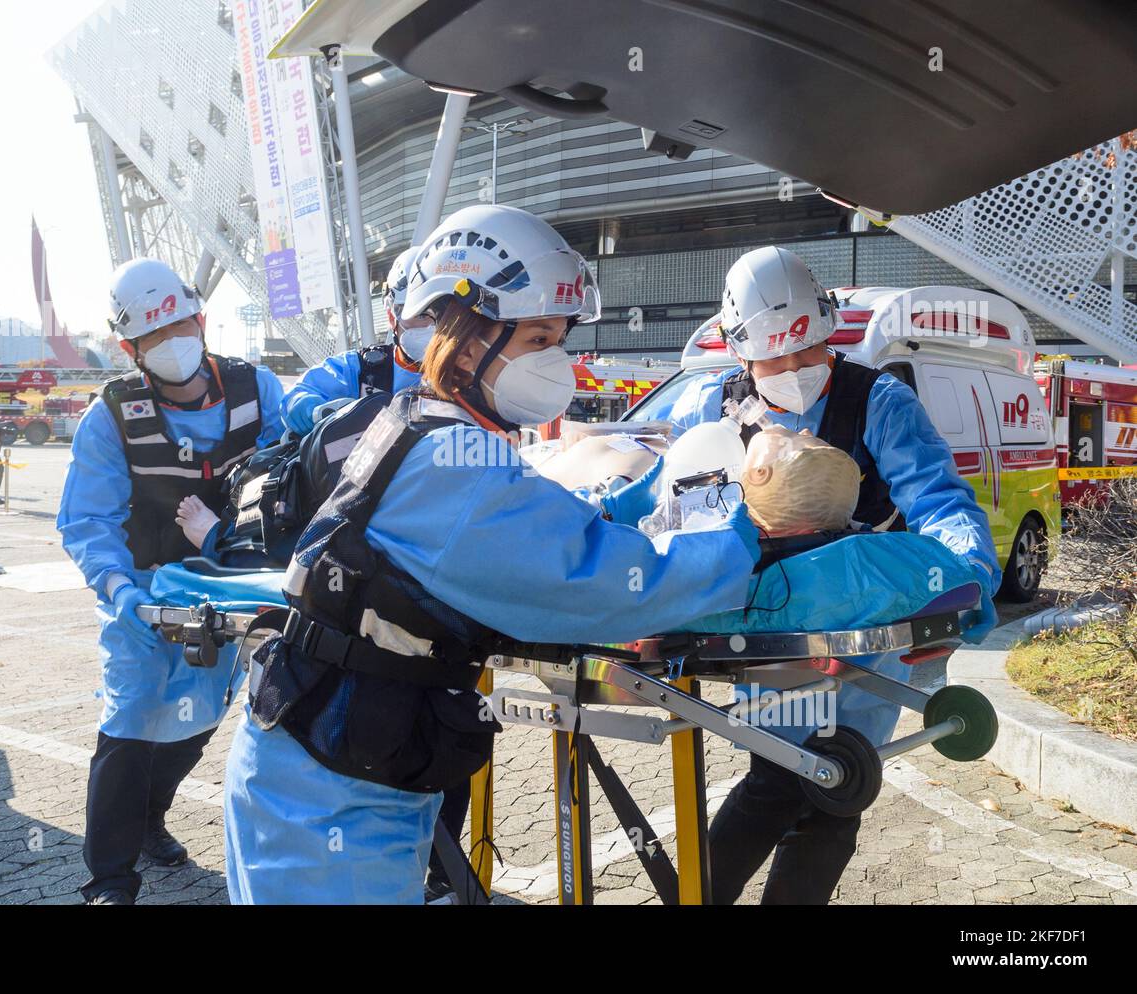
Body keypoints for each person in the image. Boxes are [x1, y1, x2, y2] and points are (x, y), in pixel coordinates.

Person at [222, 204, 760, 904]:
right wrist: (734, 544)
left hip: (325, 767)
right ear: (470, 338)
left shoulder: (428, 424)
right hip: (329, 799)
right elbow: (594, 581)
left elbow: (545, 529)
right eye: (538, 336)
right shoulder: (453, 462)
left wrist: (643, 497)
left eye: (559, 338)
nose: (555, 358)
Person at [668, 245, 1001, 904]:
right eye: (775, 358)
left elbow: (938, 500)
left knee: (837, 788)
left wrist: (968, 575)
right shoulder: (714, 412)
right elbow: (678, 511)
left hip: (861, 613)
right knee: (779, 776)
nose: (795, 371)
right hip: (770, 618)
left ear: (829, 332)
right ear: (741, 354)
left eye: (809, 352)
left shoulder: (877, 401)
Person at [57, 258, 286, 906]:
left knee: (197, 717)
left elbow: (289, 473)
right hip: (144, 588)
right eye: (153, 337)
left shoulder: (256, 390)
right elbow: (87, 518)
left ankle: (153, 815)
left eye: (180, 325)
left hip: (226, 586)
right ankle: (109, 879)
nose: (171, 343)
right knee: (130, 719)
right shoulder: (112, 416)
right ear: (130, 349)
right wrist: (117, 589)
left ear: (202, 319)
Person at [279, 246, 430, 436]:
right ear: (392, 316)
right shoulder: (362, 369)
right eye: (422, 315)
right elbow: (300, 393)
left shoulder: (472, 375)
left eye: (445, 316)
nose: (434, 327)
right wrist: (304, 406)